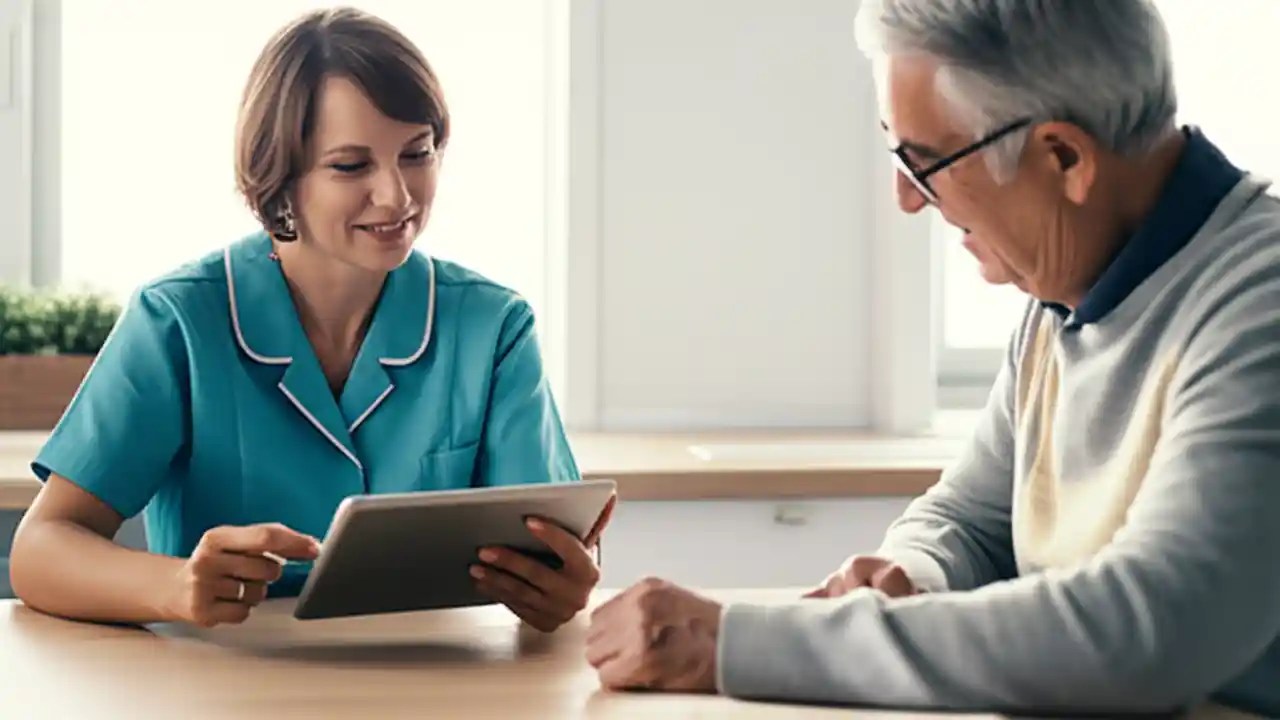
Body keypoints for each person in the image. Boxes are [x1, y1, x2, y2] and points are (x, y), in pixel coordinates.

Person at [585, 1, 1280, 716]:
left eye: (925, 164)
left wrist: (734, 643)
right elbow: (974, 519)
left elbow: (1155, 631)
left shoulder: (1261, 304)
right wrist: (911, 575)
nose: (907, 200)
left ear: (1064, 157)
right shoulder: (1071, 285)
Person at [10, 7, 612, 632]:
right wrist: (174, 585)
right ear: (280, 175)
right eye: (351, 166)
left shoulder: (495, 327)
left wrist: (561, 585)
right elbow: (40, 550)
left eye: (417, 154)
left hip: (437, 687)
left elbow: (549, 550)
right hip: (225, 687)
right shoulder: (178, 318)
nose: (398, 196)